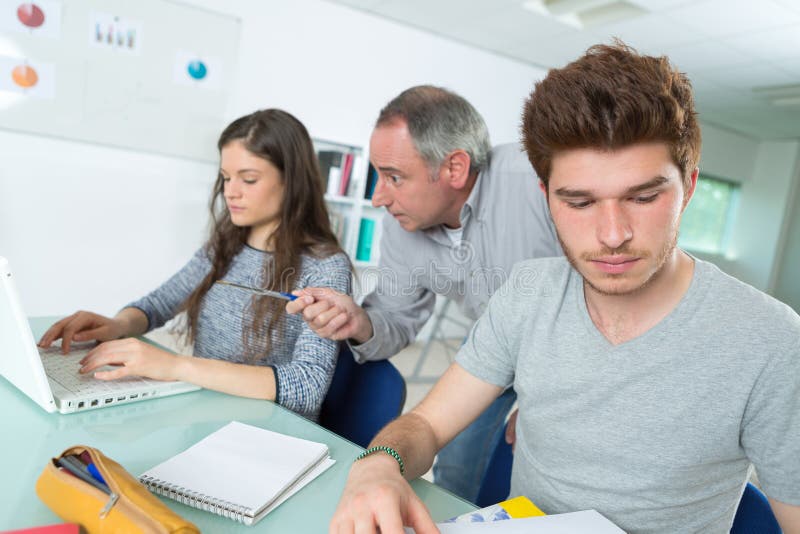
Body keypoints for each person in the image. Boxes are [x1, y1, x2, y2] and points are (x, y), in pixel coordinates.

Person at [328, 43, 800, 534]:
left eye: (643, 197)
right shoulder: (526, 292)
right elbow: (425, 425)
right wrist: (379, 463)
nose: (612, 234)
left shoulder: (771, 340)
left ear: (689, 188)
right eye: (579, 203)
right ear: (547, 197)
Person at [287, 85, 562, 500]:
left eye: (394, 177)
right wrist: (359, 322)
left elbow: (603, 289)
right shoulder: (401, 225)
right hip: (494, 337)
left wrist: (552, 395)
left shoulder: (537, 176)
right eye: (378, 176)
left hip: (571, 339)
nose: (378, 198)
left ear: (455, 168)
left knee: (546, 456)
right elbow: (395, 318)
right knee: (456, 460)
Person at [38, 109, 351, 421]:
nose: (231, 192)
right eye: (226, 178)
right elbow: (159, 304)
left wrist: (177, 366)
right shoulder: (226, 245)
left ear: (292, 181)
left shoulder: (325, 267)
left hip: (271, 432)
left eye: (249, 179)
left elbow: (307, 385)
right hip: (204, 416)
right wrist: (117, 325)